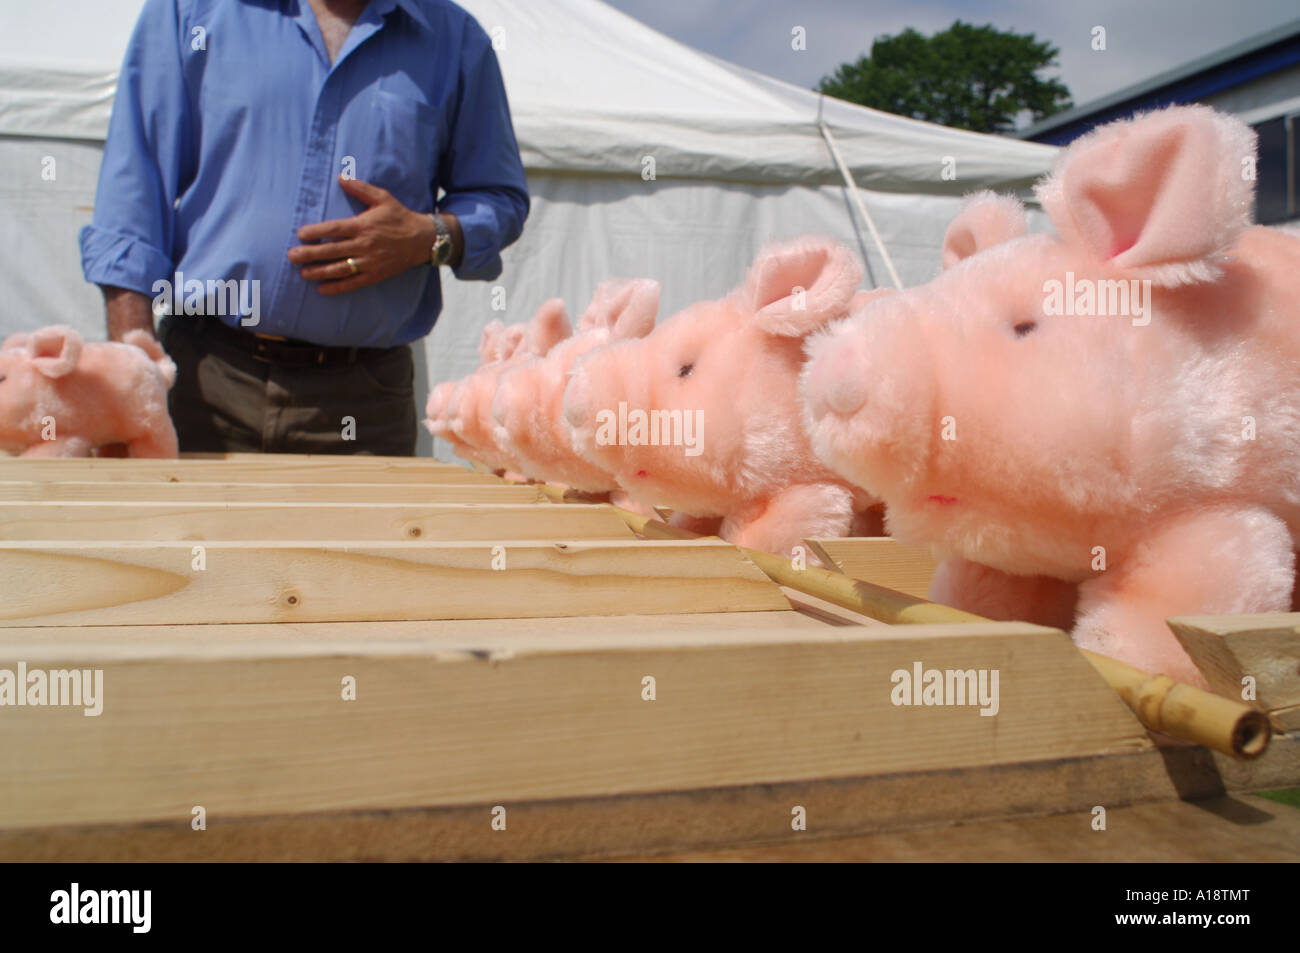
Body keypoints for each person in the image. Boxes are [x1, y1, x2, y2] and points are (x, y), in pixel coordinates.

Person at [80, 0, 530, 455]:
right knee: (174, 527)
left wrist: (429, 238)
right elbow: (133, 195)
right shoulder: (192, 13)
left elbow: (499, 197)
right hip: (203, 384)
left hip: (365, 405)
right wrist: (132, 379)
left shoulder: (455, 41)